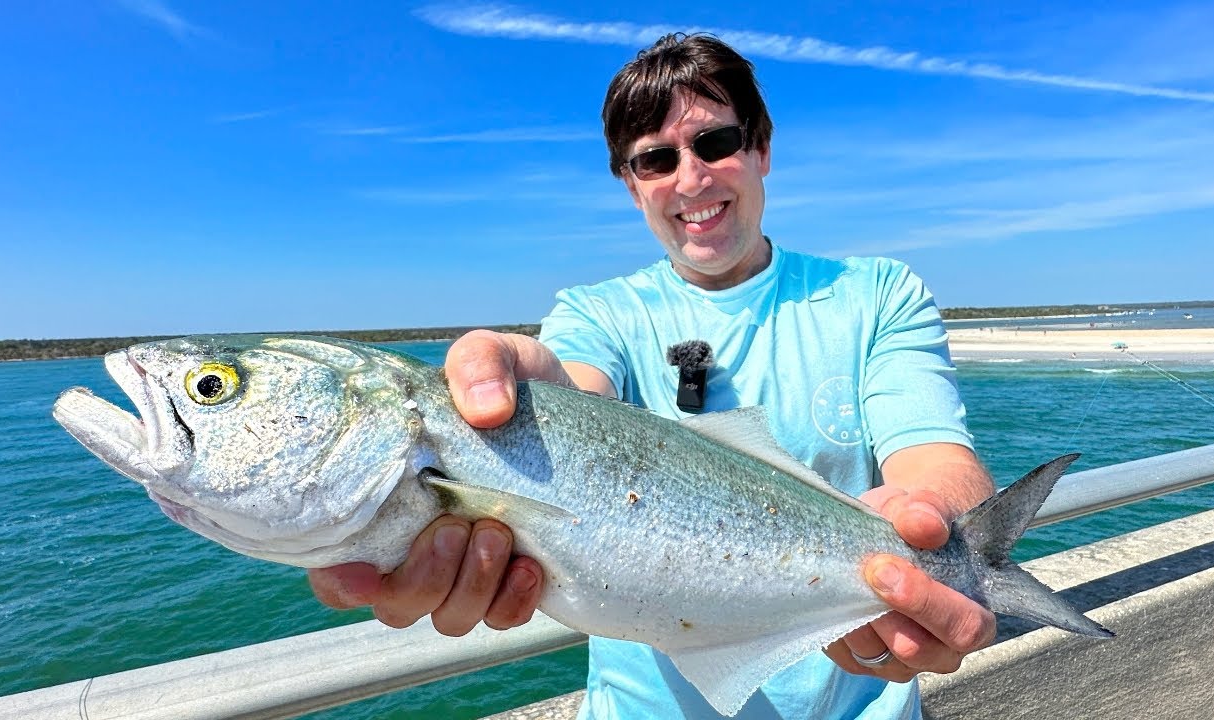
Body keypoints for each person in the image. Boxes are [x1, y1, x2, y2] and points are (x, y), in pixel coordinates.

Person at [308, 33, 996, 719]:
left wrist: (931, 525)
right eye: (656, 159)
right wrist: (533, 402)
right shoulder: (598, 313)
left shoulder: (876, 294)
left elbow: (935, 455)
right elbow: (575, 395)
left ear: (761, 148)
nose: (691, 180)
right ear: (631, 185)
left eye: (715, 144)